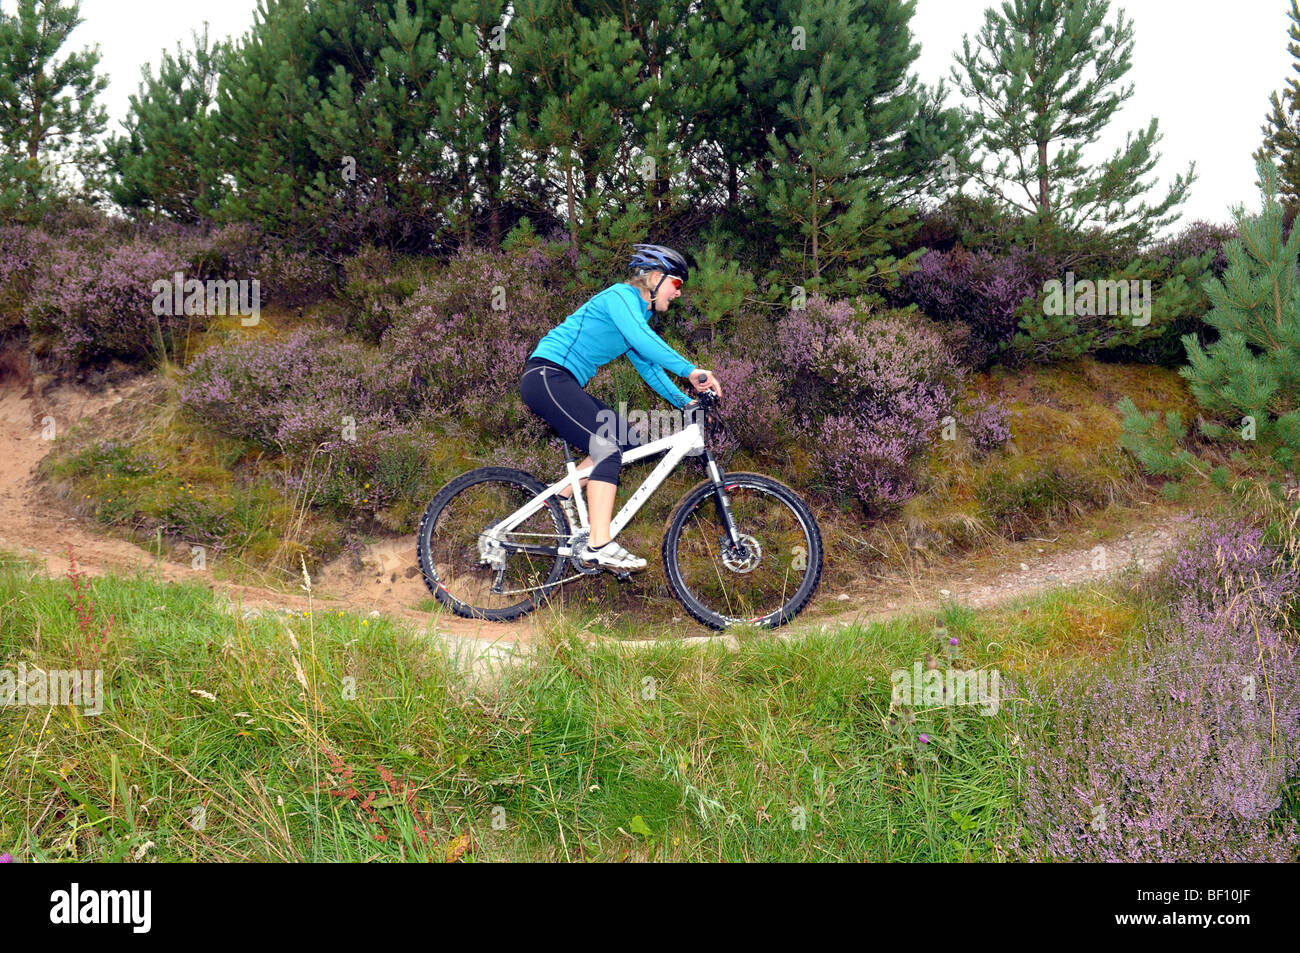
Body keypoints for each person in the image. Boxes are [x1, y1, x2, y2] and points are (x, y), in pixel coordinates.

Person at [519, 243, 723, 572]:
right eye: (677, 284)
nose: (679, 294)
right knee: (607, 449)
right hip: (547, 376)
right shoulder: (621, 298)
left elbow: (649, 368)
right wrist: (691, 370)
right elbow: (644, 343)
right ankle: (599, 544)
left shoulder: (636, 316)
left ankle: (561, 497)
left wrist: (685, 401)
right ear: (656, 277)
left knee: (625, 439)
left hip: (559, 380)